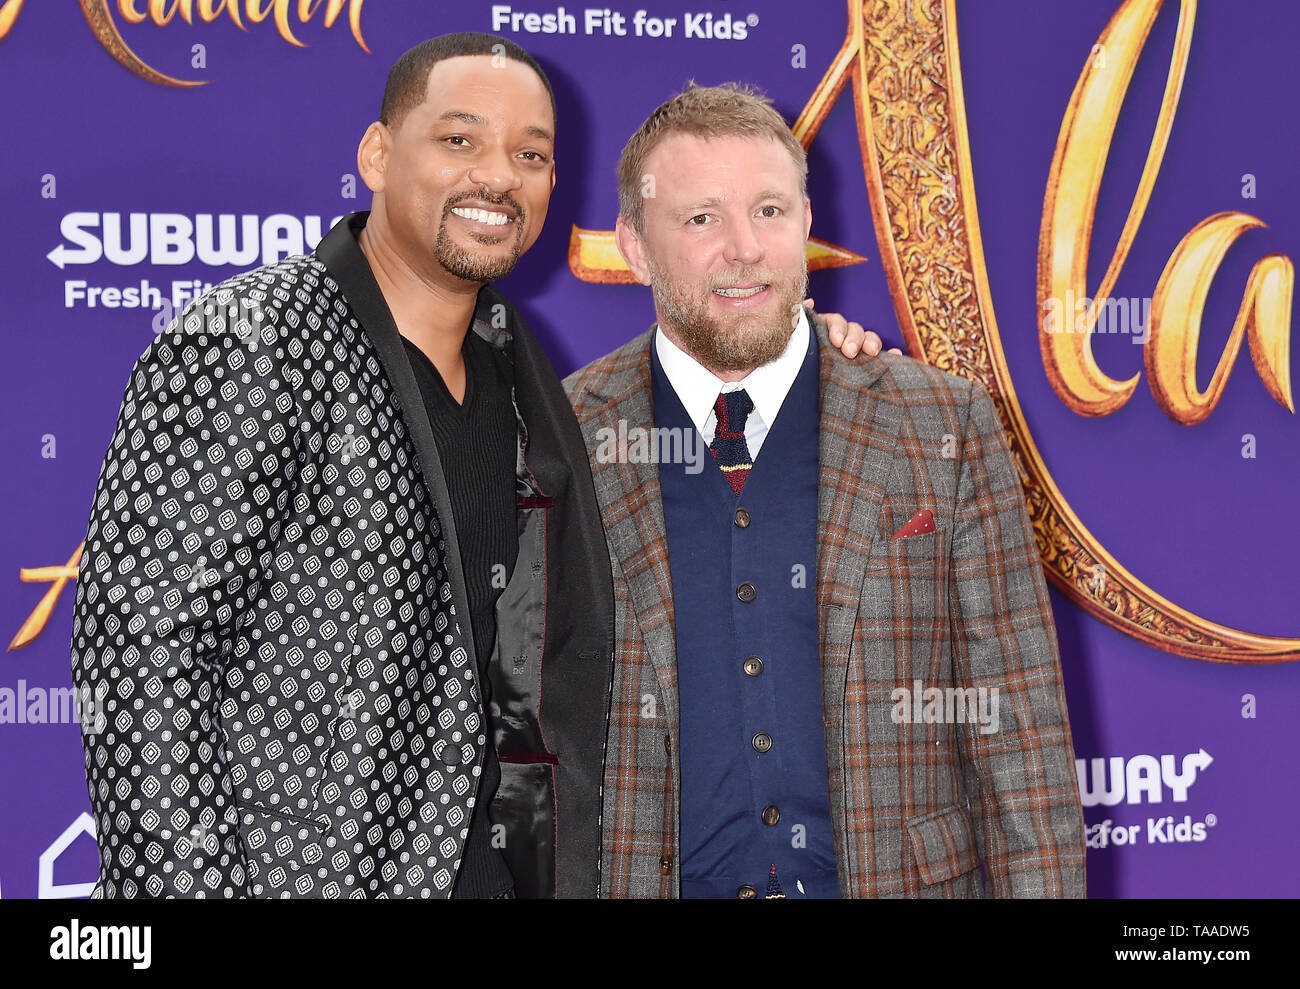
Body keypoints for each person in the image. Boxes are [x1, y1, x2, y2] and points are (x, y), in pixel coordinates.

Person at [70, 34, 887, 898]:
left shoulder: (516, 377)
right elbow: (139, 659)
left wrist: (806, 352)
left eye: (530, 153)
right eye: (460, 140)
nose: (497, 176)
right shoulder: (255, 338)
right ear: (379, 155)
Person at [564, 83, 1086, 898]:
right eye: (701, 218)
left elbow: (1015, 726)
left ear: (806, 222)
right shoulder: (562, 434)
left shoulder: (940, 420)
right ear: (633, 245)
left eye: (770, 211)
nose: (745, 248)